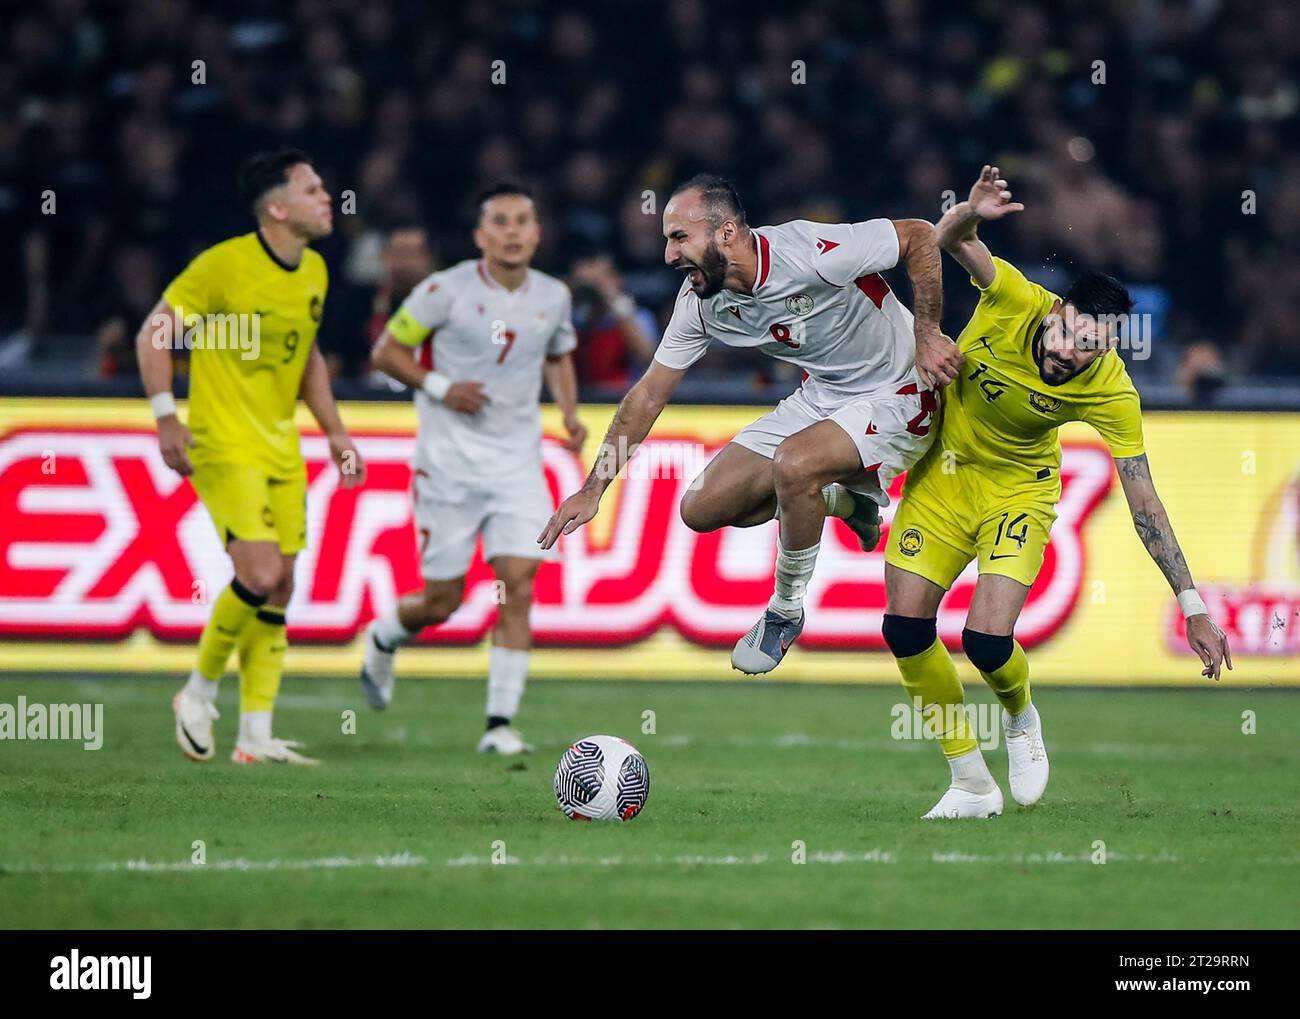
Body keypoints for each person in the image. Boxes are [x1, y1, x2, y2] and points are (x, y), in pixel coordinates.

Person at [883, 166, 1233, 819]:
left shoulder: (1111, 388)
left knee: (986, 641)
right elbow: (947, 239)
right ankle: (968, 781)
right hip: (944, 475)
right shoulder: (1014, 297)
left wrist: (1191, 604)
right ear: (1060, 309)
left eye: (1092, 348)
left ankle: (1021, 720)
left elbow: (1144, 502)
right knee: (904, 628)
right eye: (1072, 333)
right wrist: (971, 212)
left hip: (1019, 490)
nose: (1073, 353)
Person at [539, 173, 961, 675]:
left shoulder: (809, 250)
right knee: (702, 509)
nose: (670, 257)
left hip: (900, 391)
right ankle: (849, 502)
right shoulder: (700, 305)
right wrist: (594, 488)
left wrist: (928, 331)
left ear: (726, 233)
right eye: (666, 241)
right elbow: (648, 394)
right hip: (821, 397)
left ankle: (784, 610)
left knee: (796, 463)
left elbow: (917, 234)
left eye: (680, 238)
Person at [137, 148, 366, 765]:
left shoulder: (314, 270)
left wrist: (336, 433)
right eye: (313, 189)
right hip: (223, 442)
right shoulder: (223, 266)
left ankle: (256, 736)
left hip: (280, 445)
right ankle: (197, 693)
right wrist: (165, 415)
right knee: (260, 573)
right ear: (277, 207)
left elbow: (309, 356)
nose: (327, 199)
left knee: (282, 585)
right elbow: (153, 332)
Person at [358, 183, 586, 755]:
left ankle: (498, 726)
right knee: (443, 602)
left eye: (522, 221)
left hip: (517, 466)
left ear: (537, 233)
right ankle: (384, 637)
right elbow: (386, 351)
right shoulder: (444, 290)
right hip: (448, 466)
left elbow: (557, 354)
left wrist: (568, 412)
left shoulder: (554, 296)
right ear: (481, 236)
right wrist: (441, 386)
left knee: (518, 584)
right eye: (500, 222)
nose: (512, 231)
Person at [568, 252, 656, 391]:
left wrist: (613, 300)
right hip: (580, 397)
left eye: (598, 280)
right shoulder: (571, 319)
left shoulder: (637, 316)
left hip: (622, 396)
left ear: (616, 279)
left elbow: (647, 358)